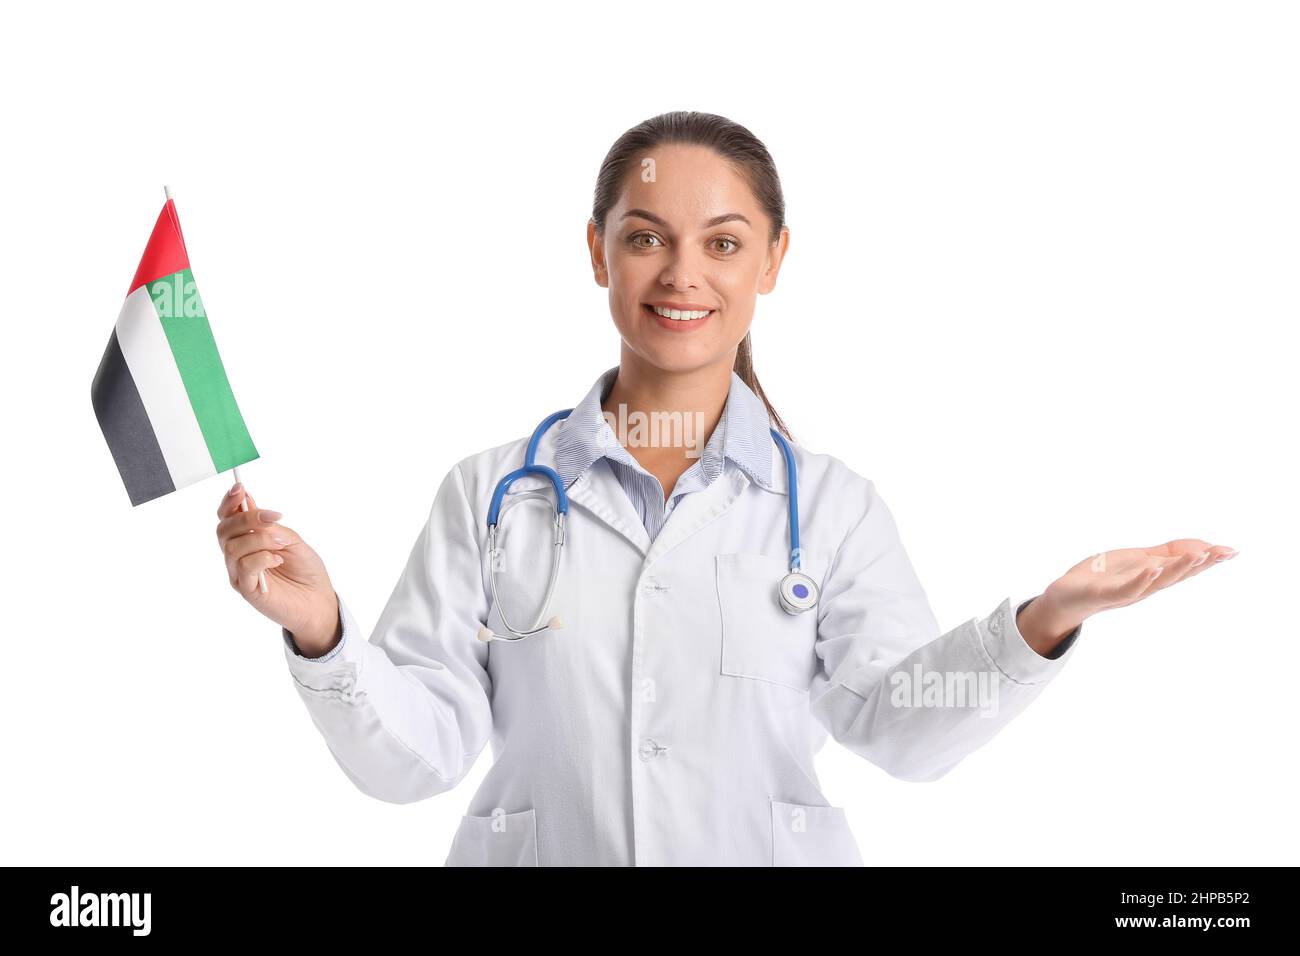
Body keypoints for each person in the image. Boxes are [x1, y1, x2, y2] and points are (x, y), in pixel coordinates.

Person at [215, 111, 1237, 866]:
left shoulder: (830, 508)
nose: (681, 274)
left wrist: (1040, 620)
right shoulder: (491, 496)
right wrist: (323, 631)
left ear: (773, 260)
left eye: (723, 241)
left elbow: (899, 727)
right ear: (597, 251)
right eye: (646, 234)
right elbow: (415, 757)